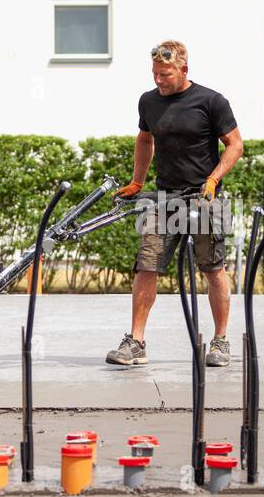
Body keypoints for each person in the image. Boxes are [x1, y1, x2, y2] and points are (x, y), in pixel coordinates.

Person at [105, 40, 244, 368]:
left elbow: (235, 145)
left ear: (184, 69)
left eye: (165, 74)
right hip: (163, 197)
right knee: (146, 264)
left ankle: (221, 341)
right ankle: (136, 342)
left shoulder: (211, 101)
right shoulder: (148, 102)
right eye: (154, 73)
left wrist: (213, 179)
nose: (158, 80)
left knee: (213, 269)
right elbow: (144, 139)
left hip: (205, 197)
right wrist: (138, 181)